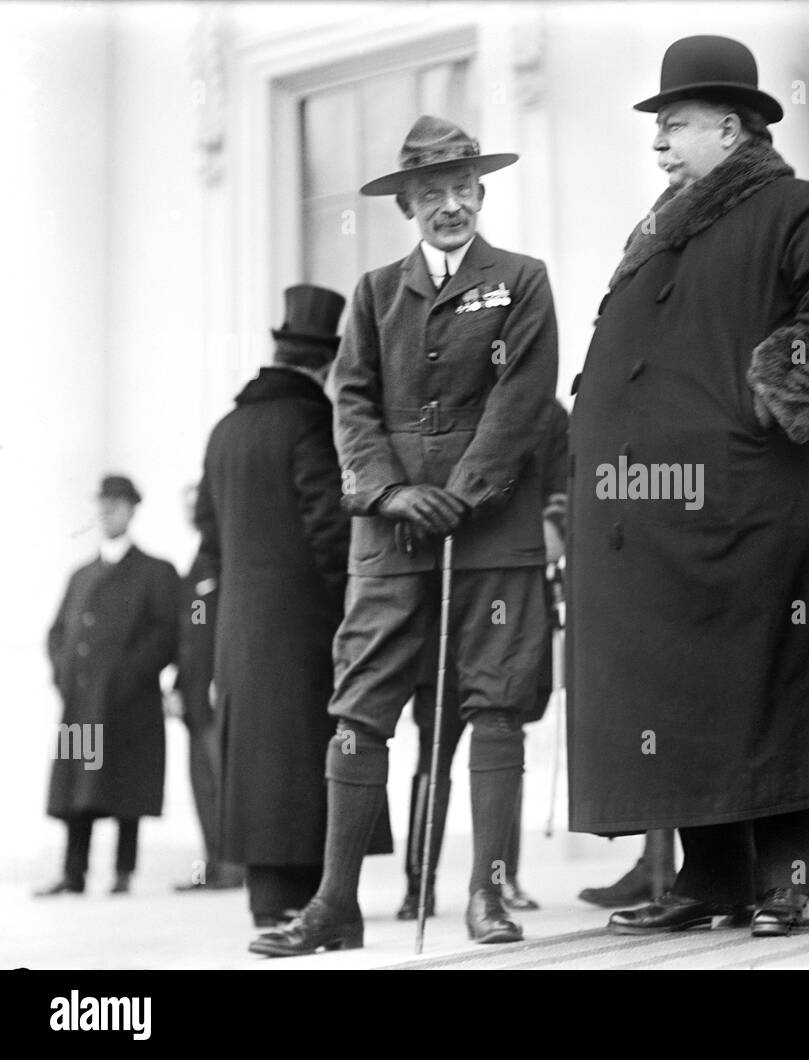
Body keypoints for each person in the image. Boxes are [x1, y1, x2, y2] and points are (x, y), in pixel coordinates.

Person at [566, 35, 809, 938]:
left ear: (734, 125)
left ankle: (788, 879)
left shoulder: (800, 208)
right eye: (658, 127)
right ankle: (710, 880)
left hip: (747, 499)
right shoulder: (659, 234)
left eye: (674, 125)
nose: (659, 143)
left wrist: (775, 391)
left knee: (772, 681)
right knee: (680, 697)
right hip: (646, 517)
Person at [251, 116, 558, 956]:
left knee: (495, 702)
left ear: (482, 195)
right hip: (391, 539)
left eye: (462, 190)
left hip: (493, 535)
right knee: (360, 706)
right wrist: (391, 493)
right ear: (408, 208)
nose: (449, 207)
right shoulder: (374, 293)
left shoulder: (524, 281)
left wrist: (461, 492)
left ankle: (488, 898)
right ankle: (334, 906)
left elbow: (524, 399)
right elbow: (349, 402)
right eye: (432, 196)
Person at [196, 285, 385, 929]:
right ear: (324, 366)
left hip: (237, 629)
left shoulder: (224, 431)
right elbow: (331, 532)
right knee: (306, 755)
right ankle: (312, 895)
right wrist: (353, 601)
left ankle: (266, 898)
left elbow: (210, 541)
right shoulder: (310, 423)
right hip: (305, 625)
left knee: (256, 756)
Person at [395, 398, 568, 920]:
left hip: (513, 603)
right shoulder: (438, 403)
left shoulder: (548, 416)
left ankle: (498, 880)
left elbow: (560, 524)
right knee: (434, 752)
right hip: (441, 604)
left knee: (502, 738)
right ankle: (417, 886)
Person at [39, 475, 179, 897]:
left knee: (126, 782)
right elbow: (58, 630)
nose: (108, 512)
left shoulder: (156, 572)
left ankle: (123, 871)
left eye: (116, 504)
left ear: (132, 510)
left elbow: (166, 633)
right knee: (75, 788)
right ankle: (73, 871)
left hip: (127, 703)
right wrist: (63, 673)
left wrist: (129, 675)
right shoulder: (81, 574)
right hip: (81, 704)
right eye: (103, 504)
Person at [171, 484, 244, 892]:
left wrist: (222, 677)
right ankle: (211, 869)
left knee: (223, 784)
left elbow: (218, 628)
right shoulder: (199, 562)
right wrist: (179, 685)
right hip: (196, 698)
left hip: (218, 692)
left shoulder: (222, 559)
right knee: (202, 788)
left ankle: (235, 868)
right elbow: (192, 634)